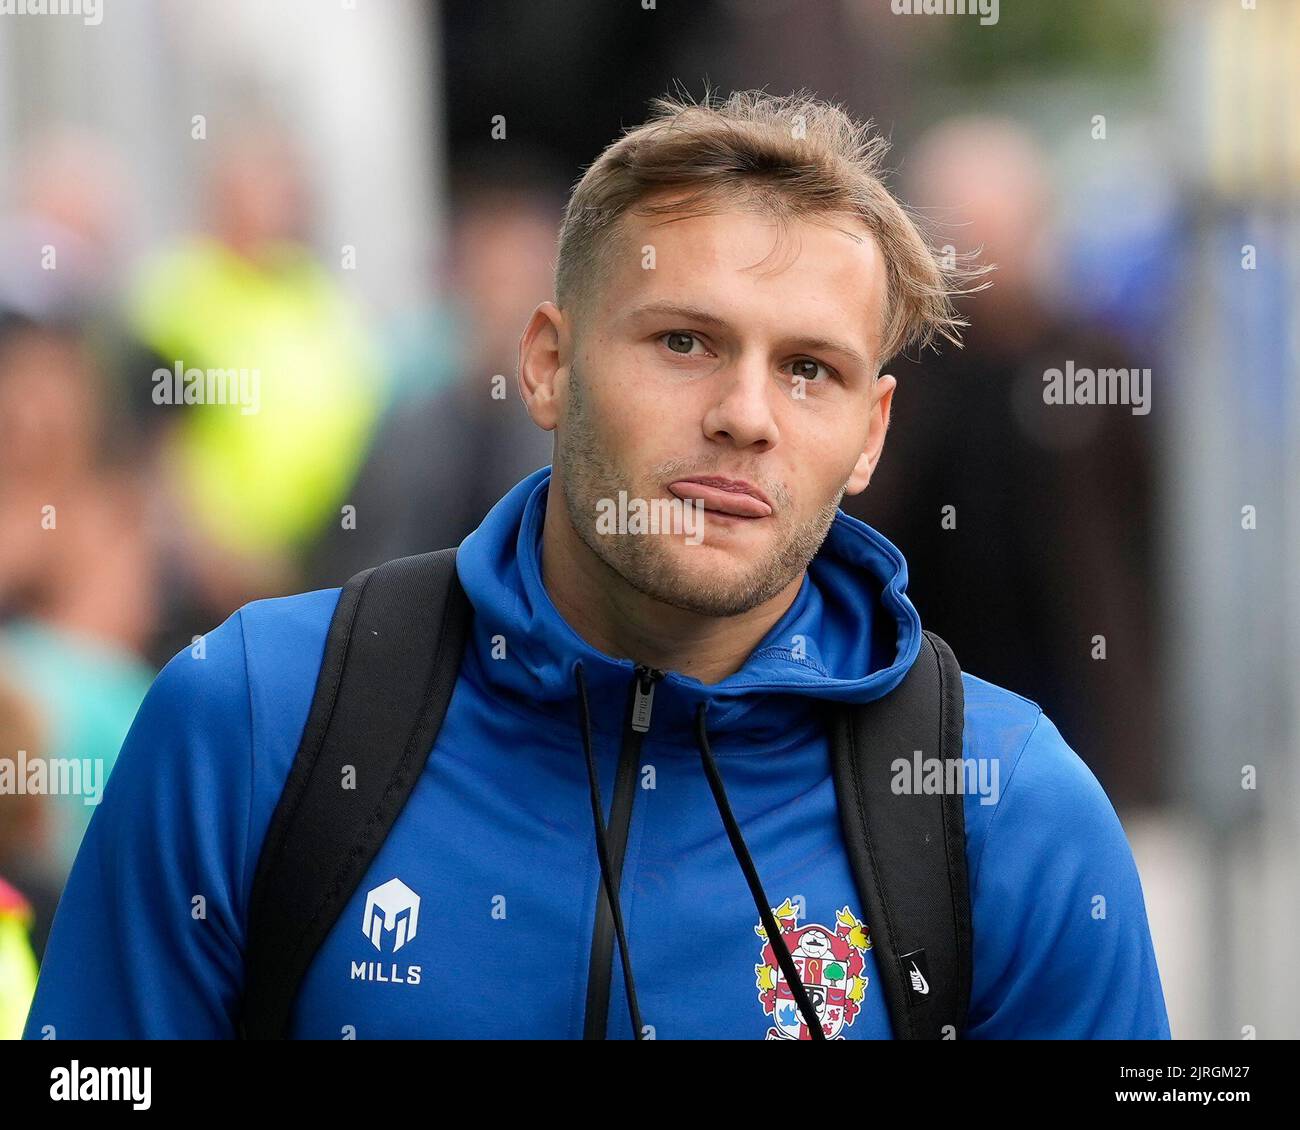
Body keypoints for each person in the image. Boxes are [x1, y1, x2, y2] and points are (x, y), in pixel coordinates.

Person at [24, 89, 1170, 1040]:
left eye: (809, 369)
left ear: (870, 433)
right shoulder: (254, 719)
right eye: (684, 341)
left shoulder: (1008, 811)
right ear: (547, 363)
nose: (743, 414)